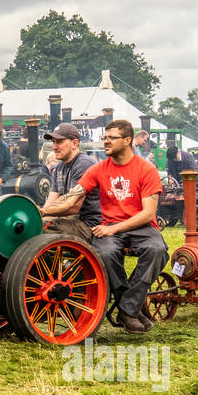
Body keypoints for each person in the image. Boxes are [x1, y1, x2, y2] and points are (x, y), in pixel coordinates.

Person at [44, 119, 167, 335]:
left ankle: (127, 308)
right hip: (109, 225)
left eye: (111, 138)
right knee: (104, 251)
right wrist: (43, 212)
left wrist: (114, 229)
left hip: (140, 226)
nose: (106, 142)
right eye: (105, 138)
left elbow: (148, 213)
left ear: (128, 140)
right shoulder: (98, 169)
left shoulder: (146, 169)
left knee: (157, 250)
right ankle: (130, 309)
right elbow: (72, 199)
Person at [37, 122, 101, 243]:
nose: (54, 147)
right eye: (53, 142)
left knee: (38, 229)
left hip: (90, 224)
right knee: (34, 225)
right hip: (71, 219)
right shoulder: (59, 168)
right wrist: (39, 214)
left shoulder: (84, 163)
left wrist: (44, 213)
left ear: (75, 143)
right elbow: (50, 202)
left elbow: (74, 207)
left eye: (59, 142)